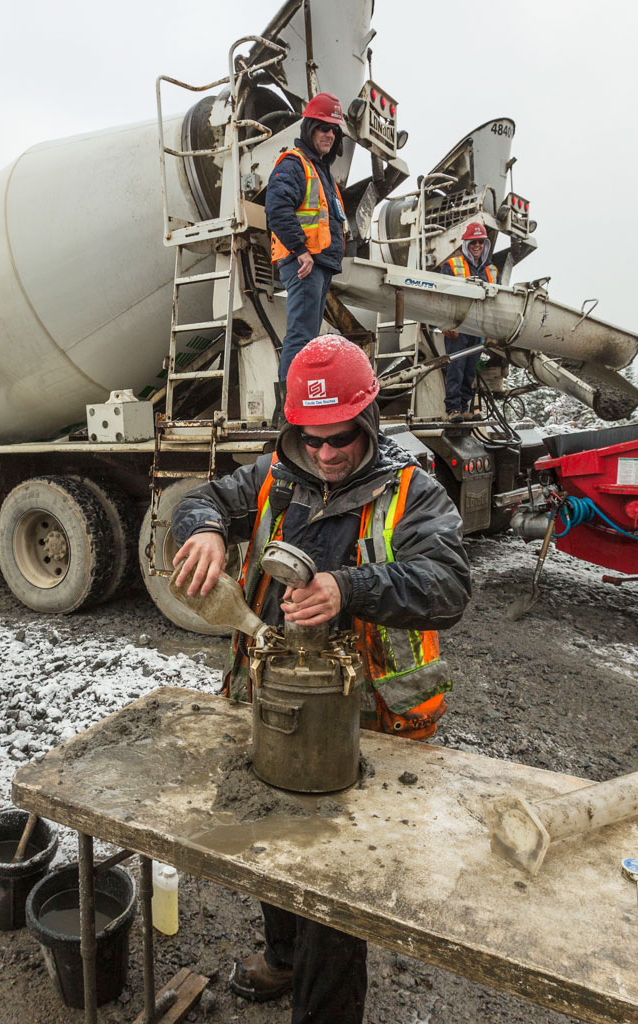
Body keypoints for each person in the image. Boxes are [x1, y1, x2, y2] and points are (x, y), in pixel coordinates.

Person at [170, 335, 471, 1024]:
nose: (327, 454)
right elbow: (203, 496)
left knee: (337, 885)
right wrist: (209, 526)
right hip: (277, 697)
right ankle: (281, 958)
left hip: (369, 719)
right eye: (312, 439)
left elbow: (451, 587)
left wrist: (349, 587)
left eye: (342, 439)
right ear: (292, 429)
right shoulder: (276, 474)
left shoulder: (412, 492)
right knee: (273, 837)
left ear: (369, 422)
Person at [266, 93, 348, 387]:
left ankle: (297, 404)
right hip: (305, 263)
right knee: (301, 336)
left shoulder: (320, 170)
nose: (329, 134)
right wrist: (301, 250)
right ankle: (290, 408)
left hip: (318, 263)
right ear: (309, 128)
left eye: (333, 130)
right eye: (323, 128)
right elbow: (276, 208)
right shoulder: (294, 164)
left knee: (307, 336)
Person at [439, 222, 499, 421]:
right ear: (466, 243)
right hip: (458, 326)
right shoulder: (452, 265)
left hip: (477, 327)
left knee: (470, 370)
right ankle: (453, 409)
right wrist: (445, 324)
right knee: (456, 368)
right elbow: (442, 297)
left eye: (480, 242)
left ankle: (464, 408)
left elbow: (495, 301)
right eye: (473, 242)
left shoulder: (491, 271)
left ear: (485, 244)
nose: (477, 245)